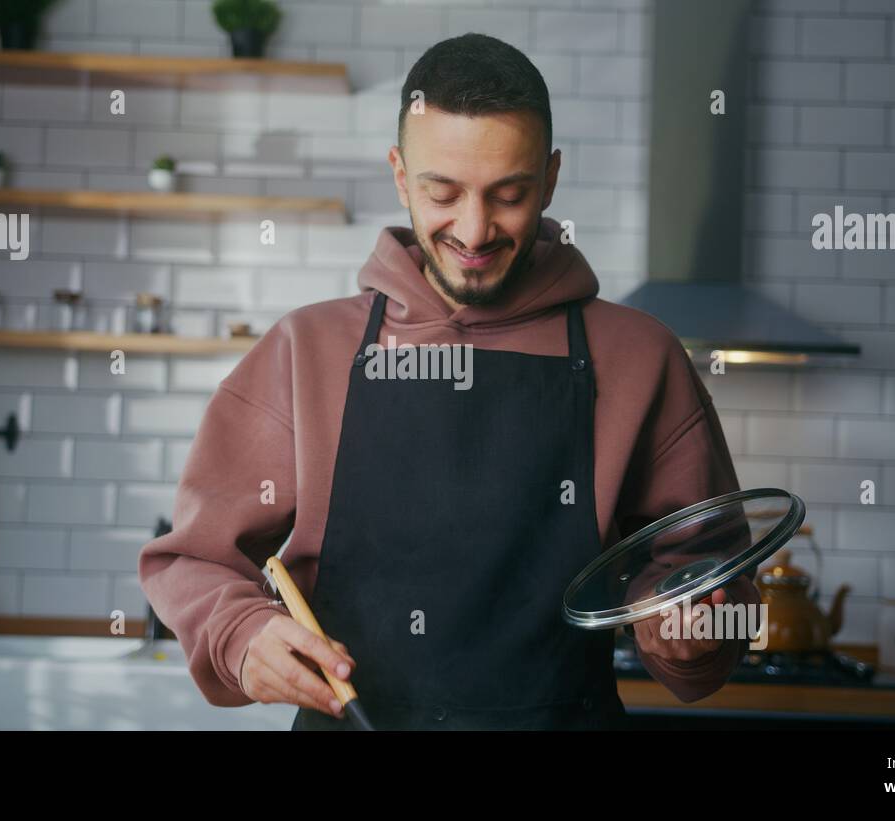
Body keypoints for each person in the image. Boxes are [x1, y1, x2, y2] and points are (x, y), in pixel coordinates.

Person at [139, 32, 760, 731]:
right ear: (401, 176)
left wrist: (692, 624)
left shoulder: (641, 357)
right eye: (443, 192)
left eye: (510, 194)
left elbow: (712, 575)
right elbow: (192, 559)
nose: (474, 229)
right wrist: (241, 634)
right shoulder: (307, 349)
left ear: (551, 180)